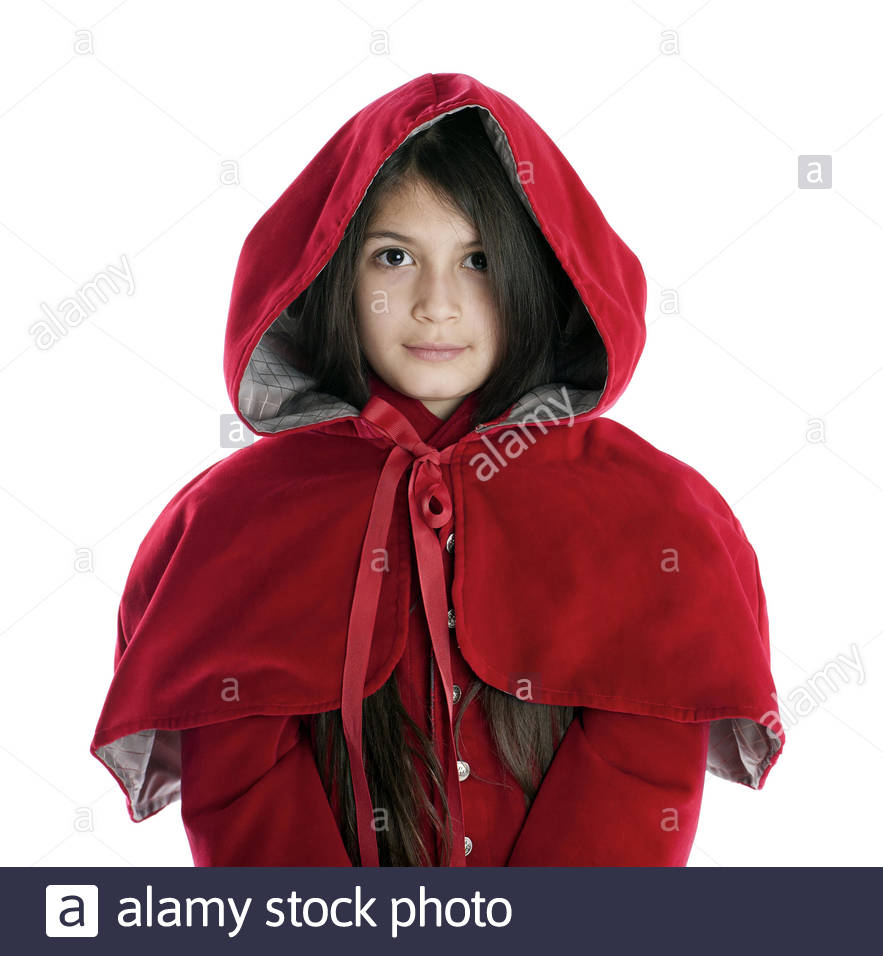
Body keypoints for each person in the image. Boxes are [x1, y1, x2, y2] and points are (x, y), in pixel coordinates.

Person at [90, 72, 784, 867]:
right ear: (334, 276)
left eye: (479, 260)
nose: (436, 304)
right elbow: (240, 789)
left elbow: (642, 771)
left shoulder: (657, 513)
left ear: (539, 276)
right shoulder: (232, 519)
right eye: (394, 257)